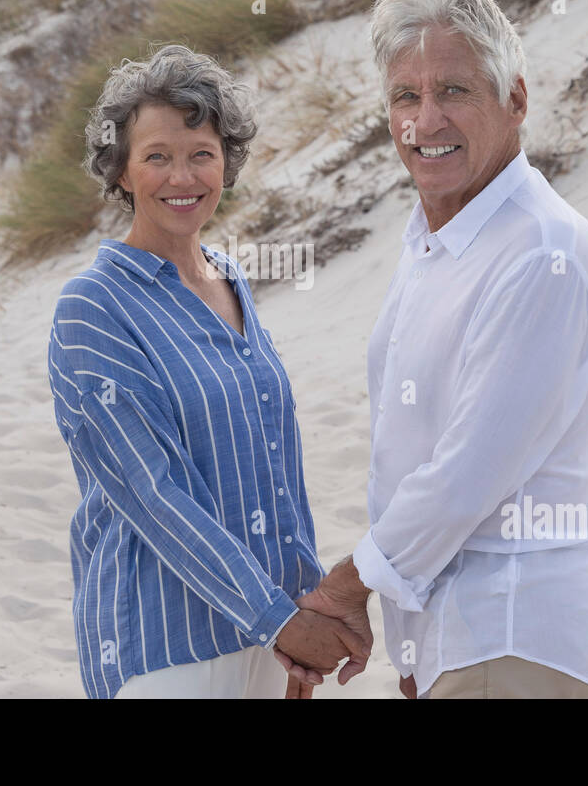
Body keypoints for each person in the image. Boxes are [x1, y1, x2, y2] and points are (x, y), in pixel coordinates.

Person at [276, 0, 588, 699]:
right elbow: (413, 455)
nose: (426, 119)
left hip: (520, 638)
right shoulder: (431, 244)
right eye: (406, 96)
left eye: (454, 91)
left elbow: (468, 471)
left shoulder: (544, 252)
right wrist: (415, 651)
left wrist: (348, 588)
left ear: (515, 99)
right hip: (465, 647)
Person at [48, 44, 368, 698]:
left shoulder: (233, 279)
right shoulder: (95, 305)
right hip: (168, 653)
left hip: (265, 641)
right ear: (121, 171)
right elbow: (154, 493)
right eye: (156, 156)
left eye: (202, 153)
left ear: (227, 161)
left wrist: (296, 616)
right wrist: (280, 620)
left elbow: (276, 470)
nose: (182, 176)